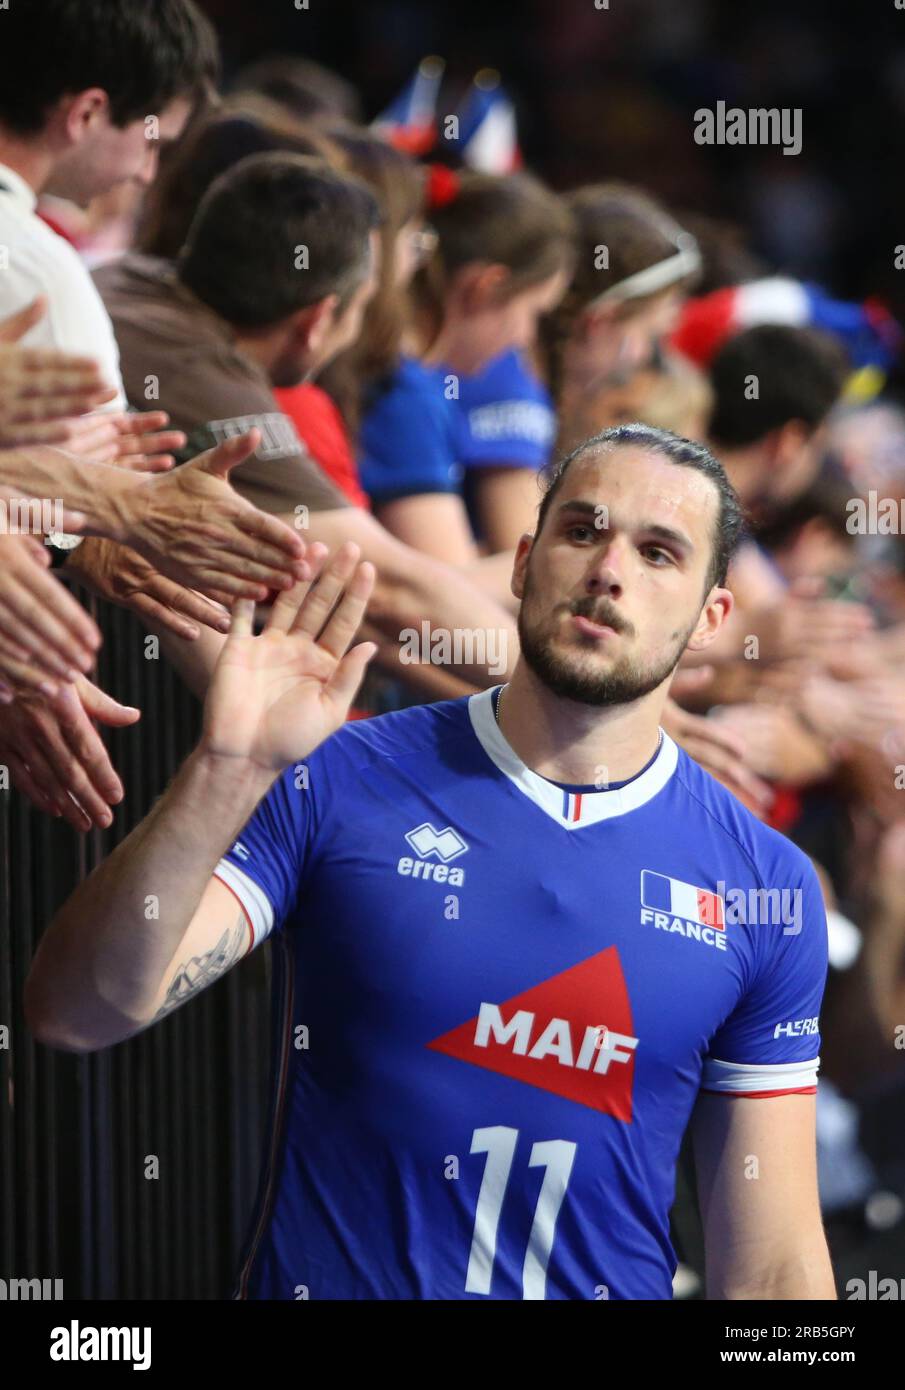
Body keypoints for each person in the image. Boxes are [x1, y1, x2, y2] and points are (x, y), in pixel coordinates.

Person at [26, 423, 834, 1301]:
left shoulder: (767, 888)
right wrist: (227, 767)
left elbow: (776, 1267)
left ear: (711, 617)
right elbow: (78, 1011)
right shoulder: (341, 776)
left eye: (658, 553)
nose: (609, 571)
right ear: (521, 565)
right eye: (581, 531)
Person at [96, 152, 519, 691]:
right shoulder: (209, 383)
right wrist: (593, 700)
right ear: (318, 321)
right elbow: (390, 585)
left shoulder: (126, 278)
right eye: (362, 305)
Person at [0, 0, 218, 396]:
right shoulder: (43, 278)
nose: (145, 173)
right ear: (86, 113)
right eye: (152, 145)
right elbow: (104, 454)